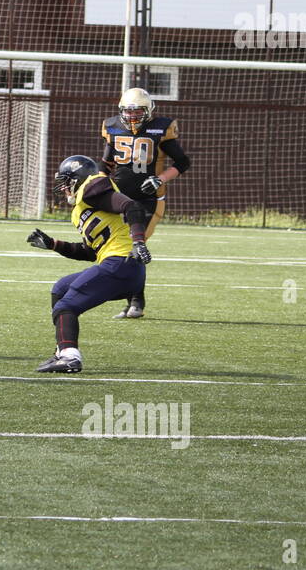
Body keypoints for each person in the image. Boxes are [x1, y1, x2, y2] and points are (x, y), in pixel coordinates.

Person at [25, 154, 152, 373]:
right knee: (61, 288)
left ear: (77, 178)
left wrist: (139, 242)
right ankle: (61, 350)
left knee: (66, 306)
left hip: (121, 263)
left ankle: (70, 357)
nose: (64, 188)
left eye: (66, 182)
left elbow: (132, 207)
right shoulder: (81, 209)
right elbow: (90, 252)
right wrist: (53, 244)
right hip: (120, 267)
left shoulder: (92, 187)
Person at [99, 87, 190, 319]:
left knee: (135, 247)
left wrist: (160, 178)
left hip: (150, 199)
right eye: (128, 112)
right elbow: (106, 164)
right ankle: (133, 302)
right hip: (121, 198)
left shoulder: (161, 128)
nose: (132, 117)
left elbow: (182, 162)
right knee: (122, 249)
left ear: (149, 111)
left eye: (137, 112)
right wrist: (99, 185)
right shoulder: (113, 127)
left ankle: (137, 302)